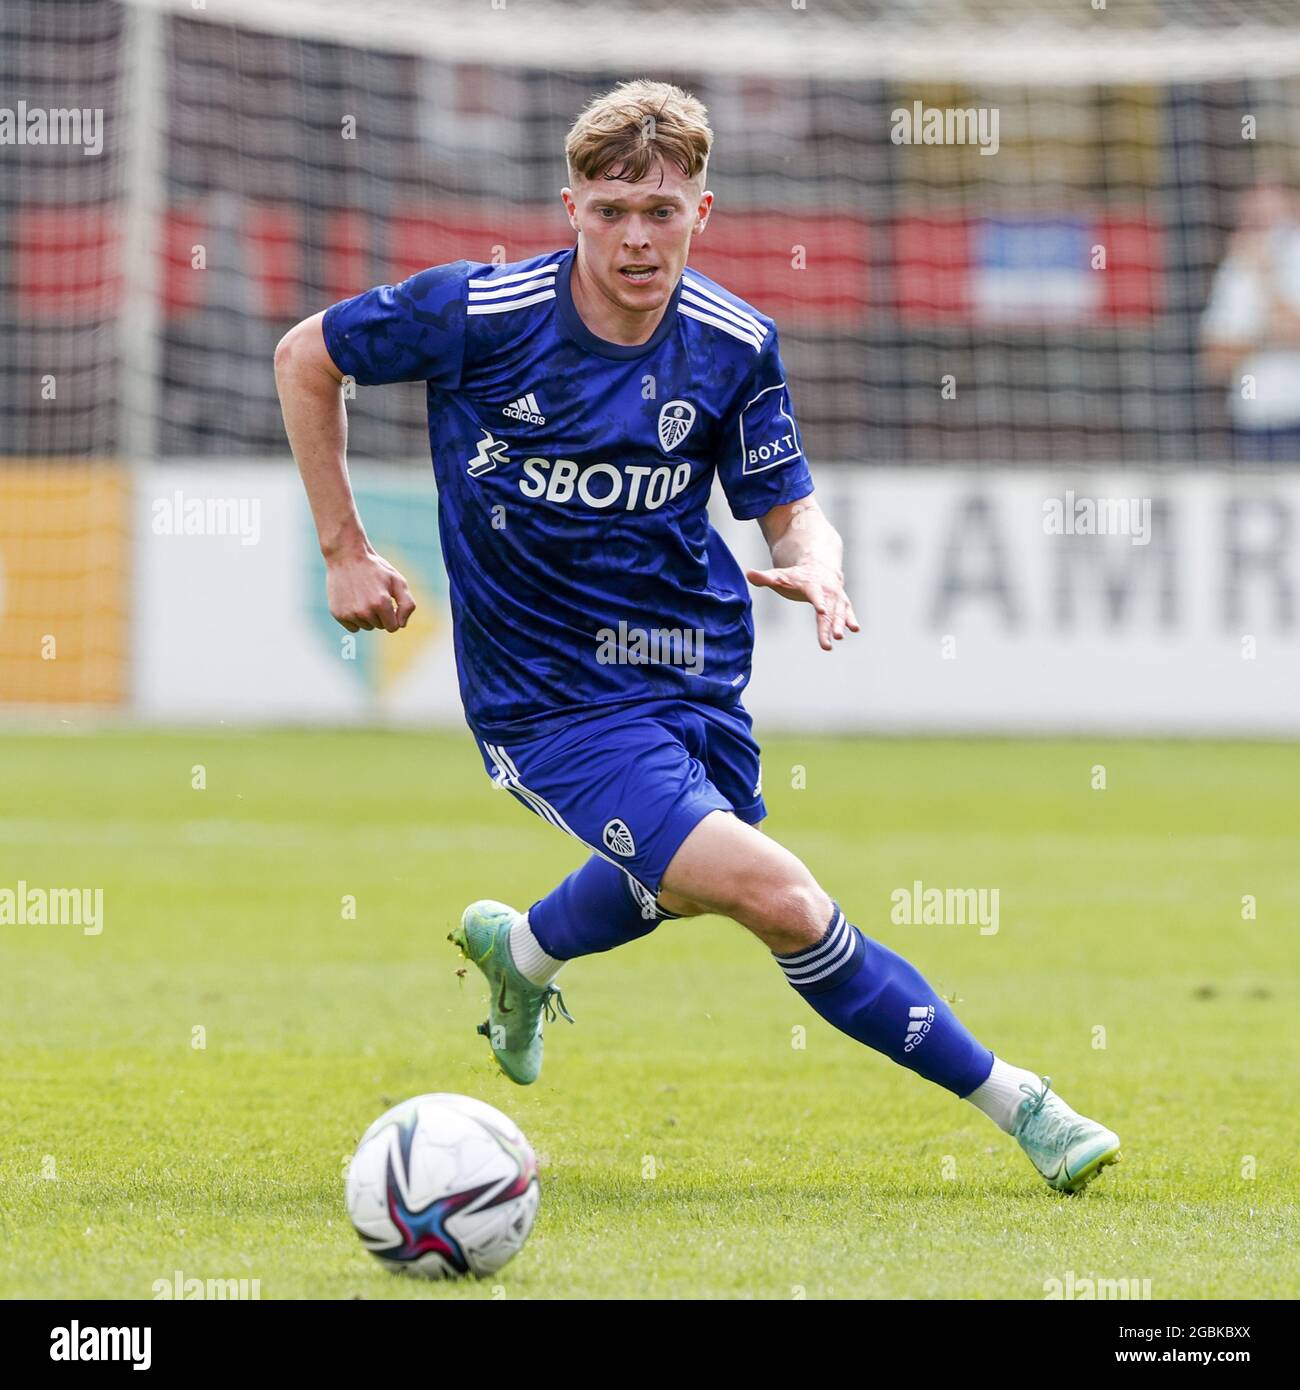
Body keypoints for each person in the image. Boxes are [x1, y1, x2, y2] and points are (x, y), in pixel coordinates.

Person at [275, 79, 1120, 1194]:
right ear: (569, 206)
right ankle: (1025, 1104)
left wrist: (815, 559)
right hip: (547, 699)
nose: (636, 237)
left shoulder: (732, 343)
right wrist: (342, 546)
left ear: (702, 214)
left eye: (661, 212)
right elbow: (306, 354)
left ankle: (521, 951)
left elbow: (786, 500)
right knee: (774, 894)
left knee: (679, 881)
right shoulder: (476, 314)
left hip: (692, 667)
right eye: (612, 211)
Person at [1201, 180, 1300, 462]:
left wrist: (1264, 276)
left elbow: (1295, 333)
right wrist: (1267, 335)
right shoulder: (1235, 269)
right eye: (1255, 217)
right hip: (1254, 428)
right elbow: (1215, 360)